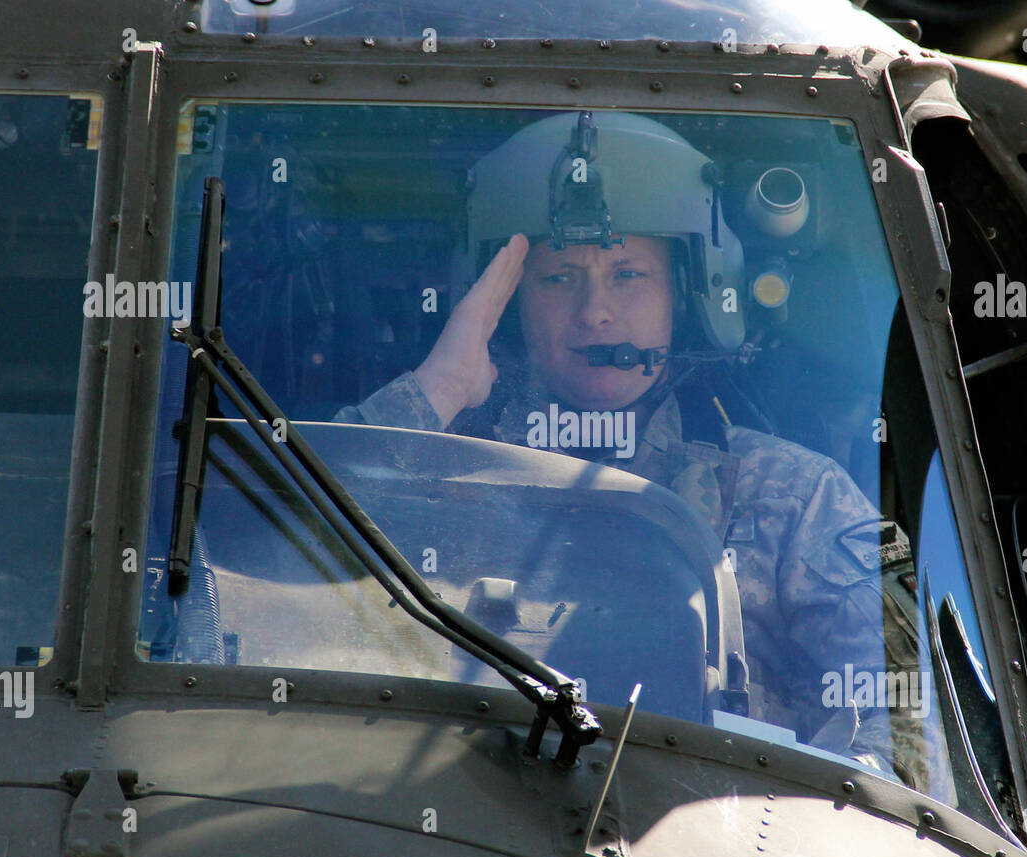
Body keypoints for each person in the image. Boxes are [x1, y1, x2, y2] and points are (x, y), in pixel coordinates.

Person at [335, 111, 930, 787]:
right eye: (557, 278)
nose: (595, 313)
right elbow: (287, 560)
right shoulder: (431, 475)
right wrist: (437, 390)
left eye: (628, 275)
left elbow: (900, 728)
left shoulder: (796, 496)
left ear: (686, 291)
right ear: (507, 302)